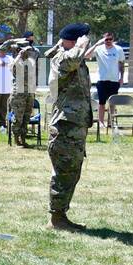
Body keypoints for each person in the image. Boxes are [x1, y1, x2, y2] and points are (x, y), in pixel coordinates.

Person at [45, 23, 93, 231]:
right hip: (65, 126)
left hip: (74, 125)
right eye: (83, 38)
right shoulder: (61, 59)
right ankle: (56, 219)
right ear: (75, 40)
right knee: (63, 173)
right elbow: (69, 59)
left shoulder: (75, 59)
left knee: (72, 172)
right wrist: (80, 47)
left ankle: (61, 215)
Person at [5, 33, 39, 147]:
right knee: (18, 117)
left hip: (30, 90)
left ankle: (23, 138)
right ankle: (16, 138)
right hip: (18, 91)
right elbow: (12, 70)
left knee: (27, 116)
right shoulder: (15, 59)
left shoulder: (31, 58)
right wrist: (19, 55)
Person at [92, 31, 125, 132]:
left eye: (110, 39)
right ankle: (101, 122)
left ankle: (111, 121)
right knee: (101, 102)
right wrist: (97, 43)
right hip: (102, 80)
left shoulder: (118, 49)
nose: (108, 41)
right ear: (103, 40)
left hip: (114, 80)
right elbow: (86, 54)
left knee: (112, 102)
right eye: (106, 39)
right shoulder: (99, 49)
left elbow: (121, 64)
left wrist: (121, 77)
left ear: (113, 40)